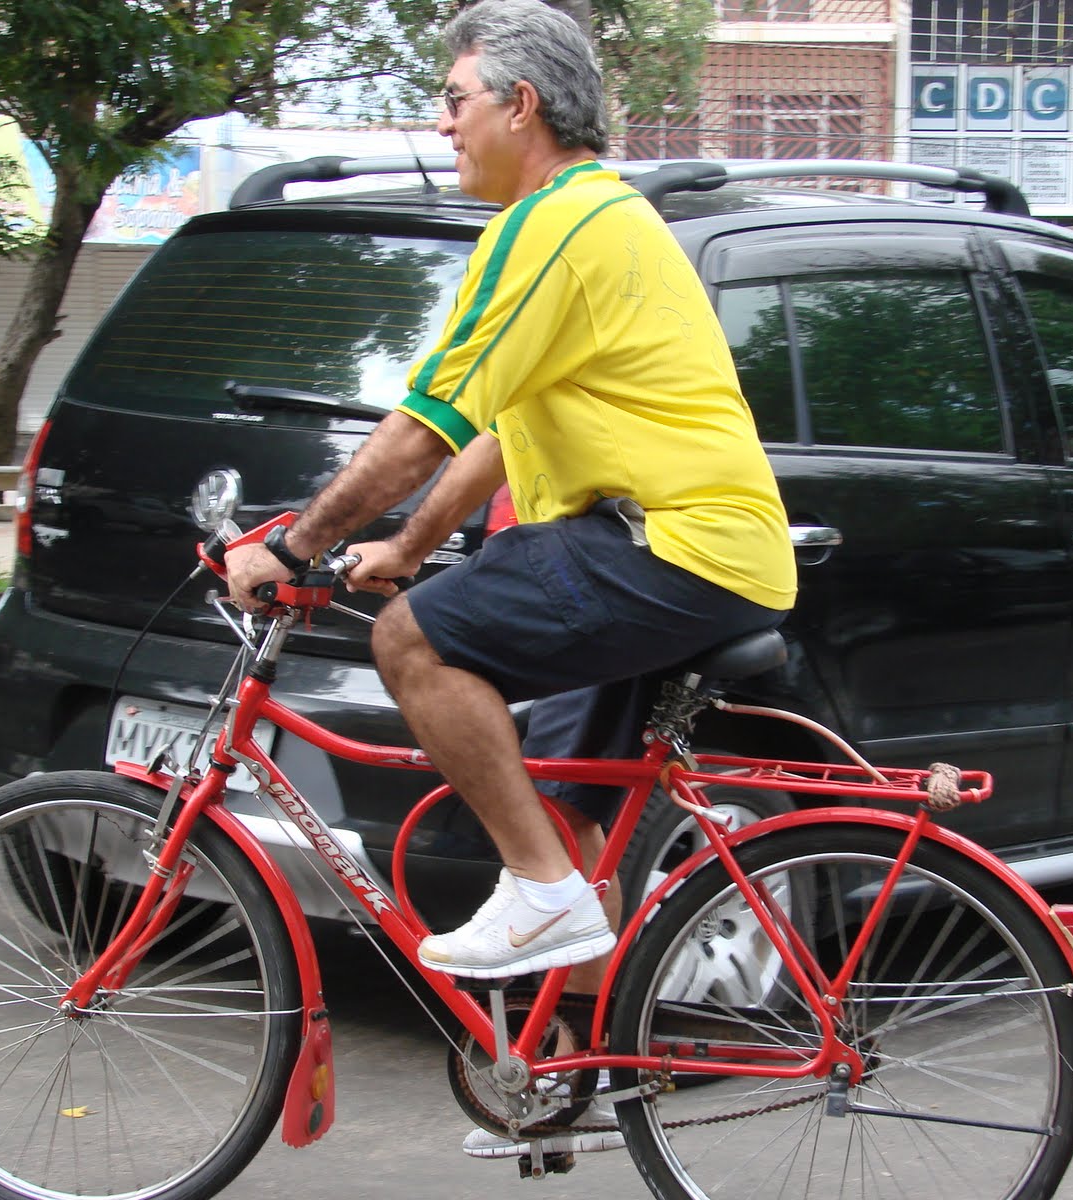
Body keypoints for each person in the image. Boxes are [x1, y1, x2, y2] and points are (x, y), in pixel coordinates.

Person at [226, 0, 796, 1159]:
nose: (442, 128)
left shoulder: (558, 226)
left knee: (416, 646)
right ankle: (552, 1075)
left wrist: (293, 544)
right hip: (682, 552)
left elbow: (423, 423)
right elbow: (491, 429)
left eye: (453, 102)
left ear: (518, 106)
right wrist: (407, 545)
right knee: (561, 807)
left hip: (665, 548)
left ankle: (539, 893)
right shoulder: (586, 224)